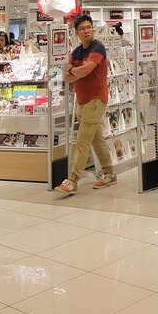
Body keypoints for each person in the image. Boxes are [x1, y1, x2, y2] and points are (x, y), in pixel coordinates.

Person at [55, 14, 116, 195]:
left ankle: (72, 180)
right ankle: (109, 173)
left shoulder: (98, 47)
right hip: (82, 100)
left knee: (82, 141)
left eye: (89, 27)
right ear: (76, 32)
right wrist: (75, 72)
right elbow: (66, 78)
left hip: (95, 100)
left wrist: (73, 70)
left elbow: (85, 70)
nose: (87, 30)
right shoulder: (76, 52)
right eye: (83, 28)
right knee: (96, 139)